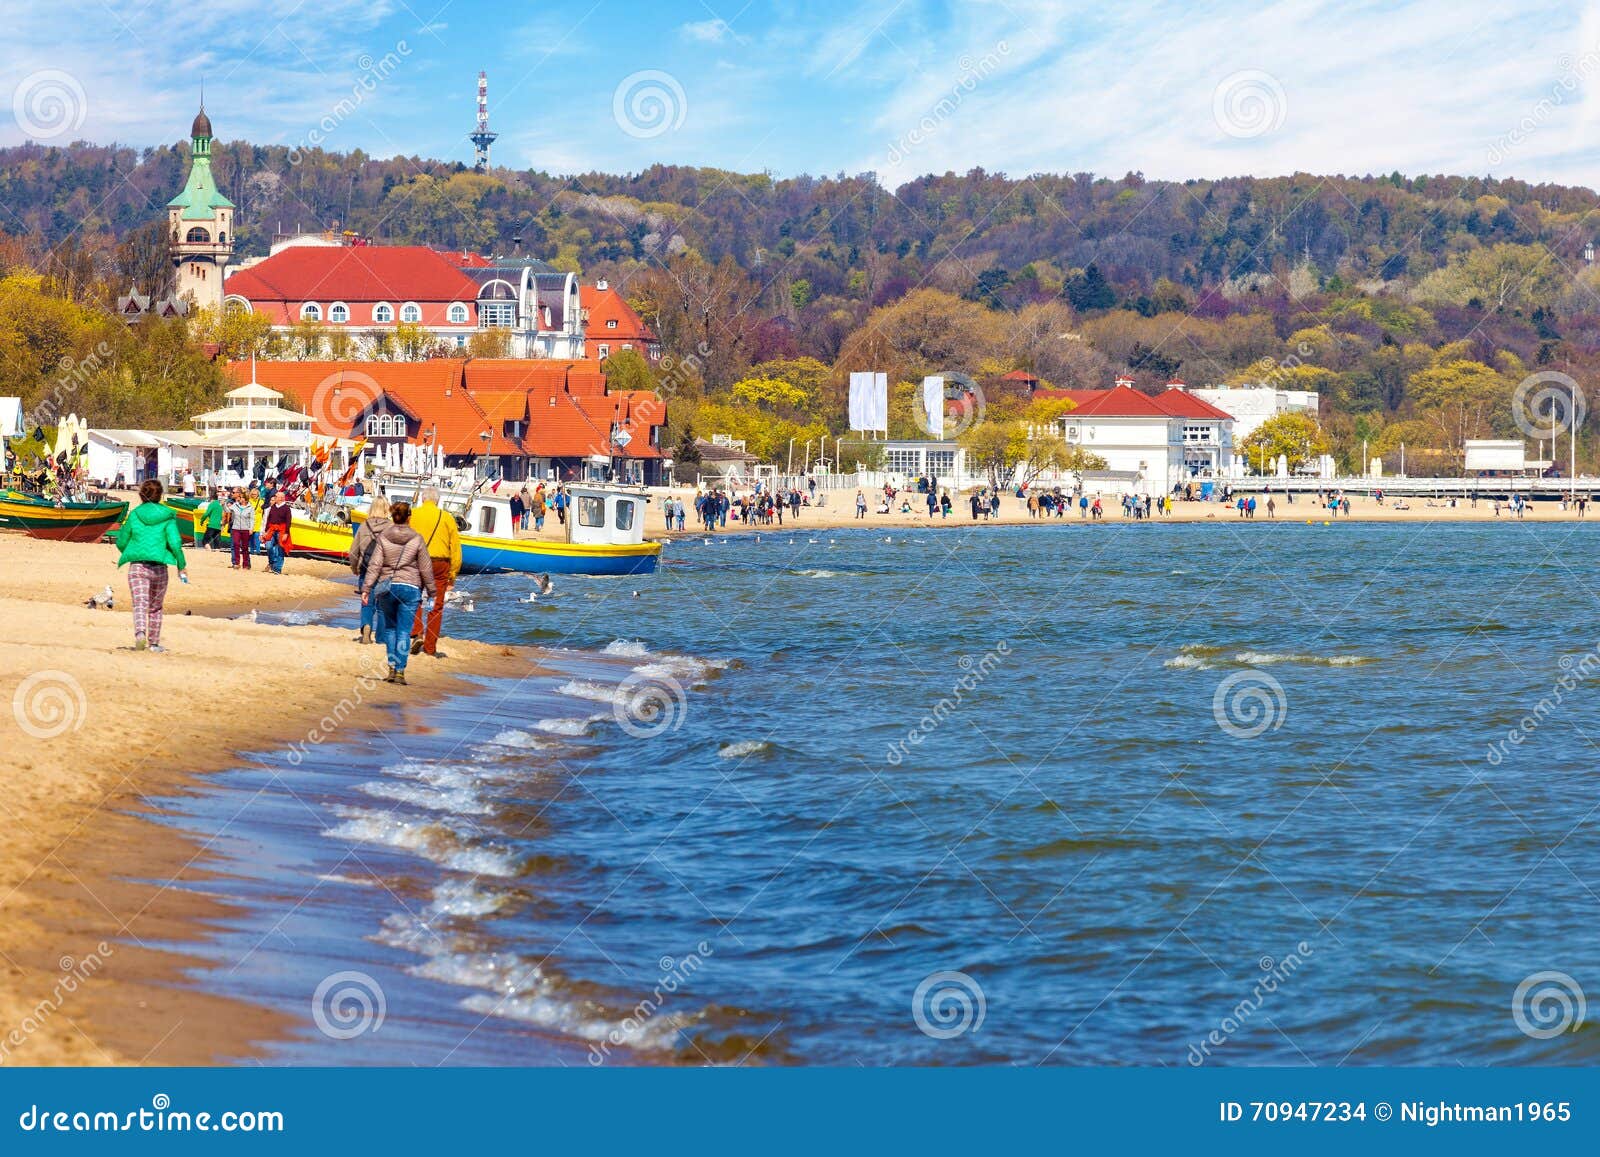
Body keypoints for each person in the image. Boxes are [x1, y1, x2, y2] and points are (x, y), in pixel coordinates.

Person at [361, 501, 436, 685]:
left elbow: (375, 565)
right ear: (409, 517)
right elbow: (425, 568)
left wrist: (367, 588)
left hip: (388, 586)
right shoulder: (417, 539)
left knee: (390, 628)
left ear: (393, 516)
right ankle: (401, 671)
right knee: (404, 630)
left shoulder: (384, 537)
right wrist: (432, 591)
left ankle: (392, 668)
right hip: (410, 587)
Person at [115, 479, 187, 653]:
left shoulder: (134, 514)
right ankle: (153, 644)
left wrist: (133, 551)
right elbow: (175, 542)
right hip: (159, 567)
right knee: (155, 607)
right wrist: (181, 565)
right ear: (160, 495)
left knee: (139, 604)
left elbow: (121, 541)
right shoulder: (168, 514)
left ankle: (140, 634)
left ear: (142, 494)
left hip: (138, 566)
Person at [408, 486, 462, 659]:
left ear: (423, 500)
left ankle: (417, 633)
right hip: (440, 563)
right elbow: (455, 549)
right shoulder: (446, 517)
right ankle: (430, 648)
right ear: (437, 501)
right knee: (436, 606)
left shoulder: (412, 515)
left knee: (413, 599)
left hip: (417, 560)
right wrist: (453, 573)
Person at [347, 496, 392, 644]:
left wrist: (354, 567)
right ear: (387, 509)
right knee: (383, 606)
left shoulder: (364, 526)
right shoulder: (391, 527)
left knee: (367, 601)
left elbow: (353, 551)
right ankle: (381, 637)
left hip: (366, 569)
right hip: (384, 571)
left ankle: (366, 626)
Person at [263, 491, 292, 574]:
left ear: (281, 498)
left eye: (276, 496)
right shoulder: (273, 507)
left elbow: (288, 521)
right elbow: (269, 519)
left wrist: (286, 533)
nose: (275, 497)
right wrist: (266, 531)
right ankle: (272, 563)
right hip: (271, 530)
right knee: (268, 546)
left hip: (281, 531)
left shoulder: (286, 508)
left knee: (280, 550)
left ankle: (277, 569)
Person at [227, 489, 254, 569]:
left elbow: (252, 519)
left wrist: (251, 528)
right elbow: (227, 510)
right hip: (236, 528)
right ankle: (237, 563)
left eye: (241, 498)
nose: (240, 499)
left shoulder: (250, 508)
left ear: (245, 499)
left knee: (245, 547)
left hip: (245, 529)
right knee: (236, 544)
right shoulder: (235, 505)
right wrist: (224, 504)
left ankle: (245, 564)